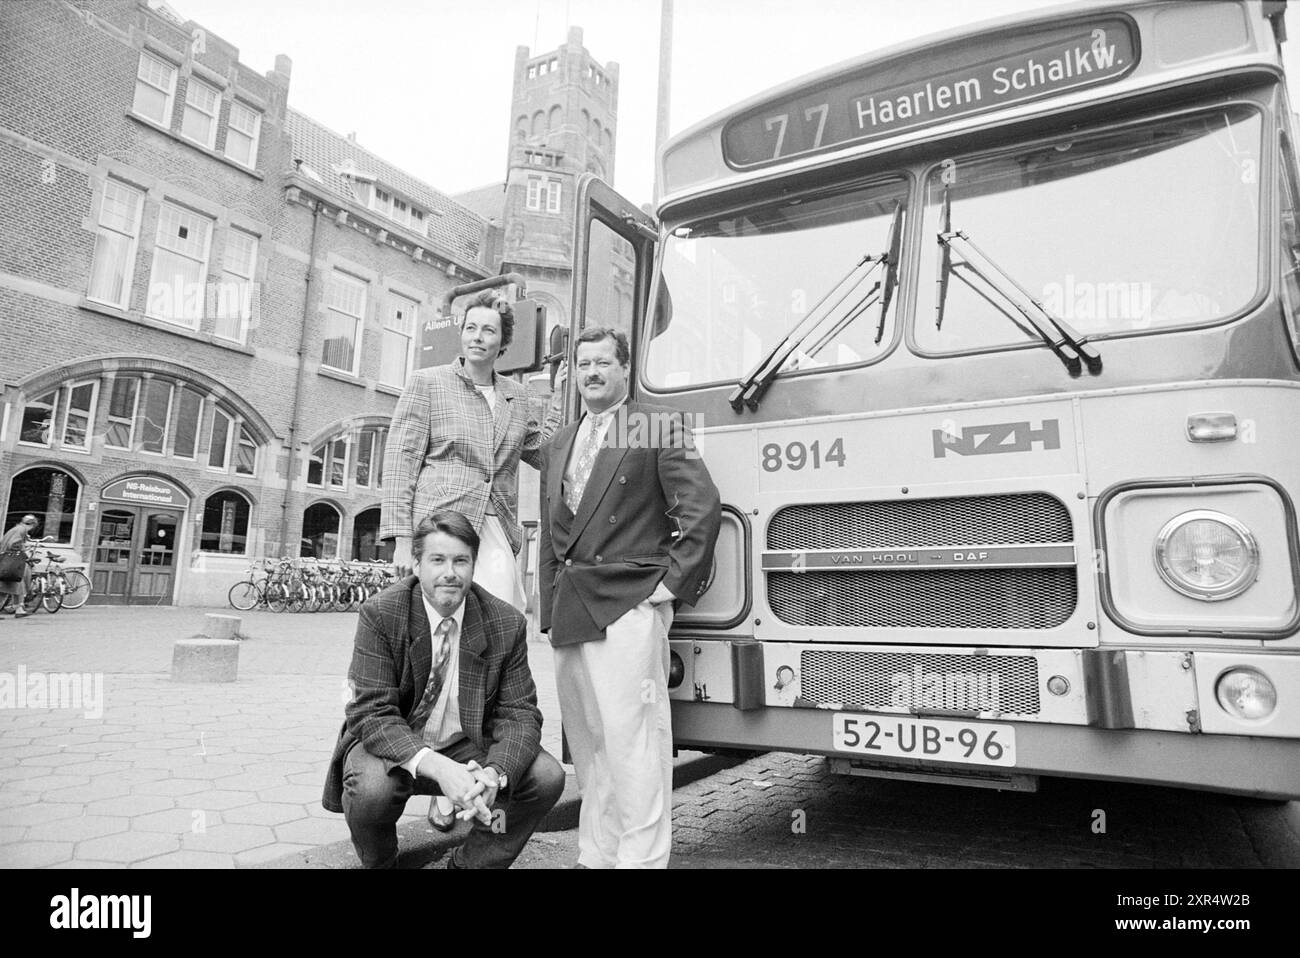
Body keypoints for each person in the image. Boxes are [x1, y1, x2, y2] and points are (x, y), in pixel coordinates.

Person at [539, 326, 721, 868]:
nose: (591, 373)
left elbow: (701, 507)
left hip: (627, 602)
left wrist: (665, 589)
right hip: (572, 608)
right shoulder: (558, 442)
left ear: (624, 369)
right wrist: (547, 609)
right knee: (590, 748)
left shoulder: (653, 423)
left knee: (634, 743)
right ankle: (597, 855)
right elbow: (553, 533)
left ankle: (641, 860)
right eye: (583, 364)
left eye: (602, 363)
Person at [379, 288, 561, 827]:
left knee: (494, 646)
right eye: (471, 327)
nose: (478, 337)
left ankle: (477, 768)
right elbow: (401, 458)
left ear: (504, 343)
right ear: (461, 333)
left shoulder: (516, 397)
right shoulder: (428, 384)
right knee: (440, 646)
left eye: (489, 331)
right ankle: (437, 773)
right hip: (443, 530)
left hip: (496, 535)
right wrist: (397, 538)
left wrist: (561, 395)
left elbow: (544, 452)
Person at [321, 509, 564, 869]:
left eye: (460, 561)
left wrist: (493, 774)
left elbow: (520, 714)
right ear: (417, 565)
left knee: (545, 777)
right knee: (371, 790)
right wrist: (436, 766)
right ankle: (382, 863)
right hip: (395, 742)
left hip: (469, 744)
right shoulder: (382, 613)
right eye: (437, 560)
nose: (450, 572)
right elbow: (369, 711)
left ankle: (469, 864)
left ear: (473, 566)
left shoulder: (504, 622)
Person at [0, 515, 39, 618]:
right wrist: (23, 547)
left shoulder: (16, 529)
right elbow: (13, 544)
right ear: (32, 524)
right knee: (14, 583)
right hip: (12, 562)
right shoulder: (21, 530)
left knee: (11, 586)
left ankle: (19, 609)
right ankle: (19, 609)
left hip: (6, 561)